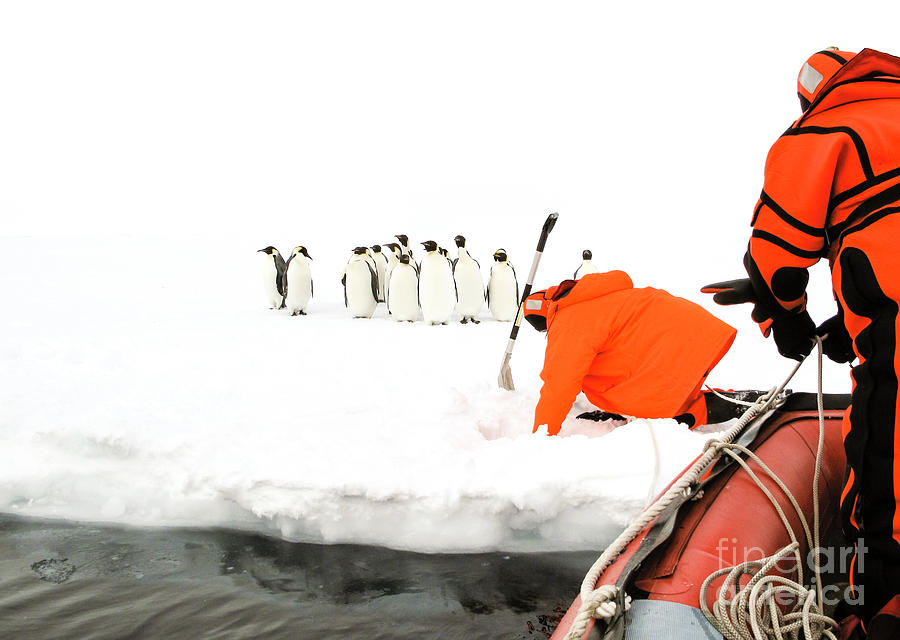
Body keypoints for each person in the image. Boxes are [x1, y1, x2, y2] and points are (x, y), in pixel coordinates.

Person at [704, 47, 900, 626]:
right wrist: (856, 314)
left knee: (883, 490)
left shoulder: (825, 131)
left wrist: (785, 317)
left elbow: (777, 259)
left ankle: (876, 616)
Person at [523, 270, 739, 437]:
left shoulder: (568, 317)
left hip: (674, 348)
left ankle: (727, 405)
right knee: (596, 368)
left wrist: (542, 435)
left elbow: (560, 382)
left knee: (664, 414)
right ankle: (743, 403)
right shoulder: (592, 298)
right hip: (693, 333)